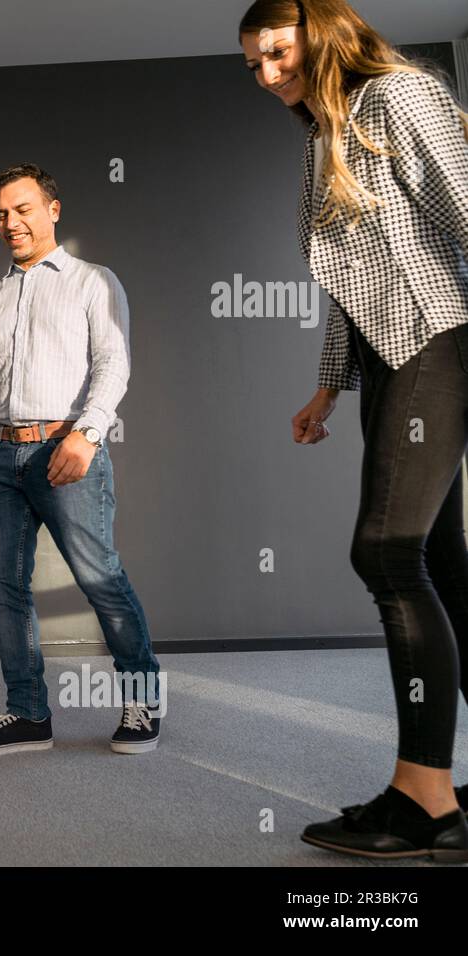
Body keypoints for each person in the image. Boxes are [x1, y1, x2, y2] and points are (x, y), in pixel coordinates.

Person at [239, 0, 468, 861]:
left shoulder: (398, 97)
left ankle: (425, 801)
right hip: (386, 359)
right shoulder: (321, 137)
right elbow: (348, 278)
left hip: (436, 341)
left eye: (274, 51)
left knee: (385, 552)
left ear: (320, 30)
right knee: (439, 561)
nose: (264, 74)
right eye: (251, 64)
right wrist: (330, 385)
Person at [0, 164, 163, 758]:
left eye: (24, 209)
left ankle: (142, 699)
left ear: (53, 209)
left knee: (99, 578)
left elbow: (114, 363)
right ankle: (27, 714)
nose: (12, 222)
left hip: (66, 448)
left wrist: (86, 435)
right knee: (3, 586)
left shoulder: (93, 281)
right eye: (2, 214)